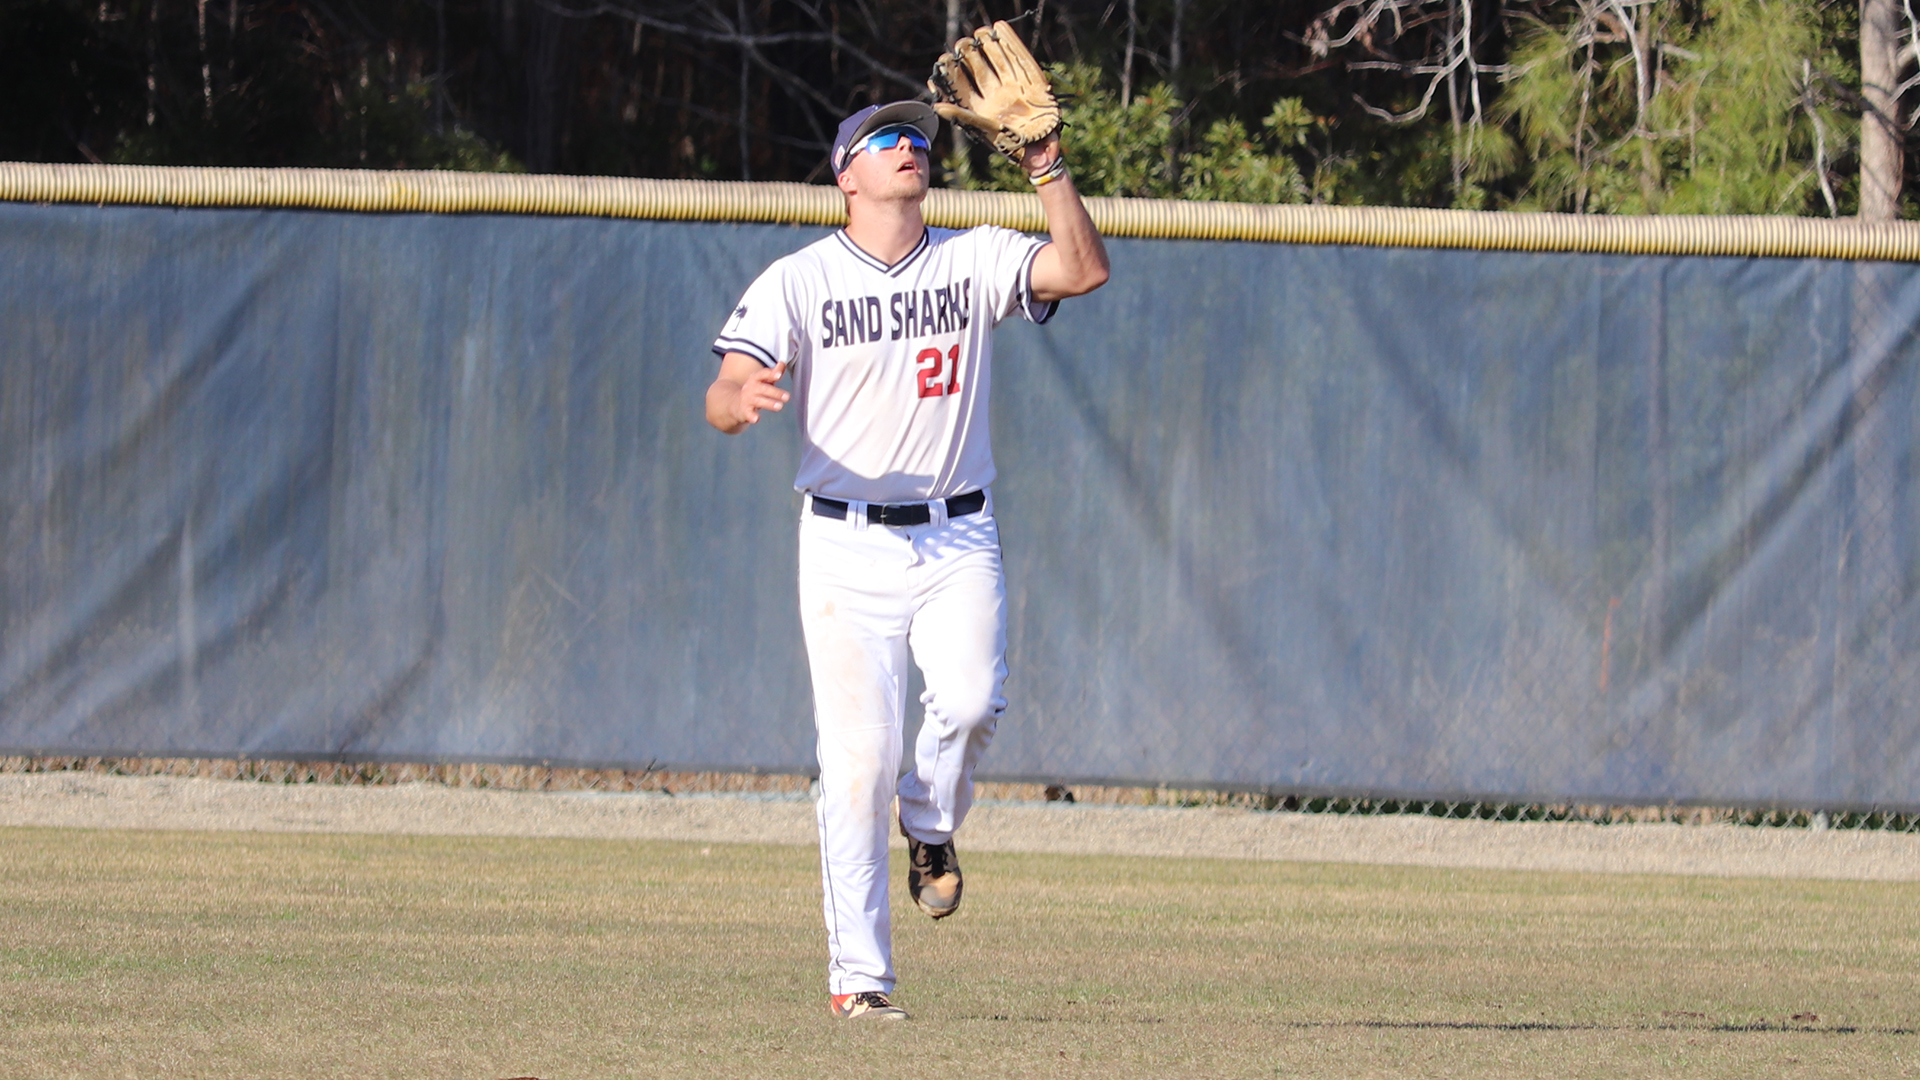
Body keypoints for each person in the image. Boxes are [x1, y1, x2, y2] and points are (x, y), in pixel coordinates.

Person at [705, 98, 1109, 1021]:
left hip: (957, 531)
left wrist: (1047, 167)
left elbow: (1084, 269)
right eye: (884, 138)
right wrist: (740, 400)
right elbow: (722, 390)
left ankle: (927, 821)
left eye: (917, 137)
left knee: (969, 704)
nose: (908, 146)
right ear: (845, 174)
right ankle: (861, 980)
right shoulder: (801, 280)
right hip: (844, 543)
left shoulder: (975, 256)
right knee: (857, 762)